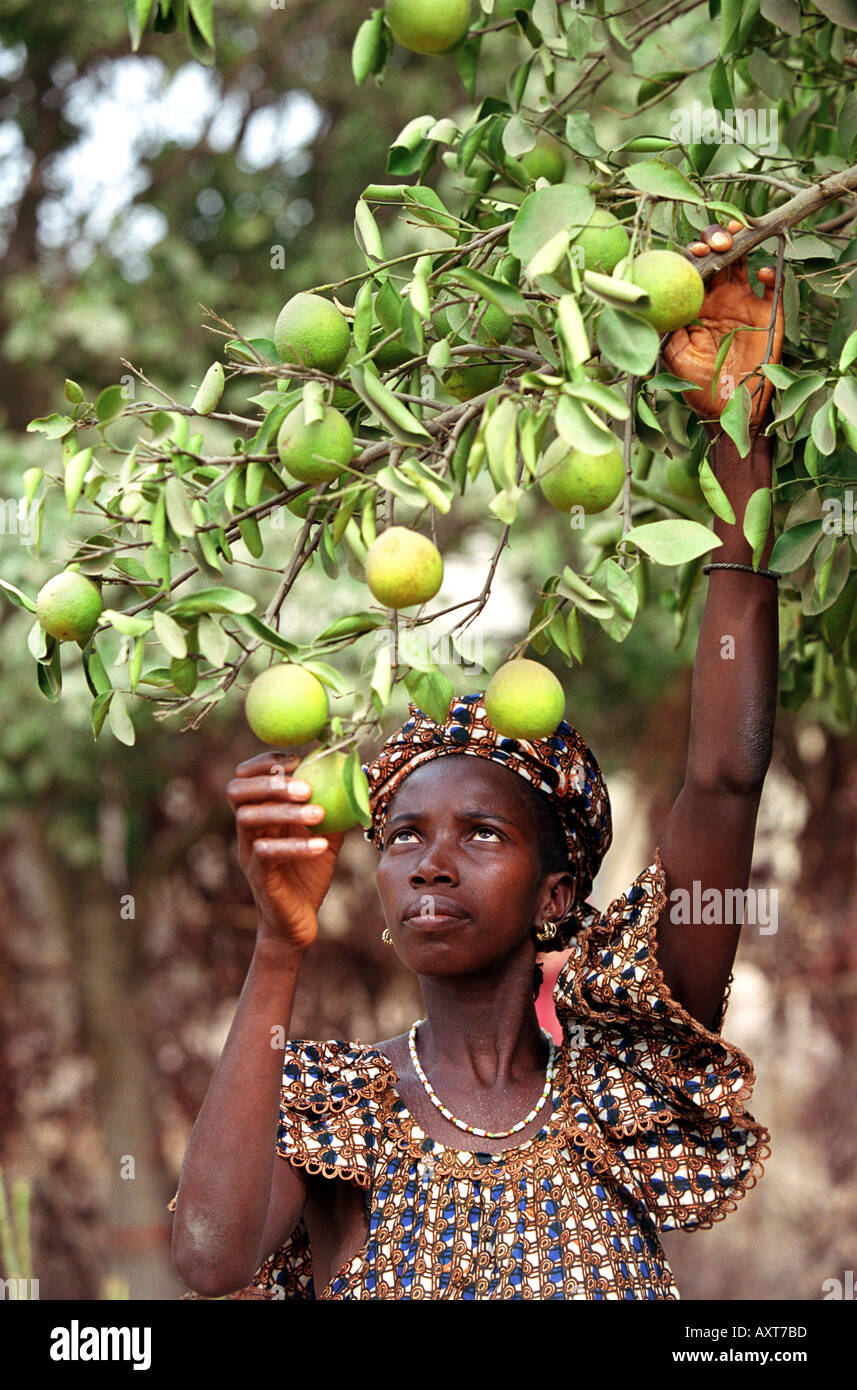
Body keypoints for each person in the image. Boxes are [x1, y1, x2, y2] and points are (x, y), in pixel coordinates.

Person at [169, 224, 783, 1299]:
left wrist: (736, 441)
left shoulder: (620, 1086)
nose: (429, 863)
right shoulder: (333, 1109)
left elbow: (724, 782)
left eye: (479, 832)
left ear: (554, 889)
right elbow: (207, 1255)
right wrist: (278, 946)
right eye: (402, 833)